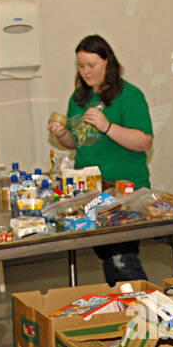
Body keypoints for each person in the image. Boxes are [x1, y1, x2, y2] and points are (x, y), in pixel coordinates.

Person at [47, 35, 154, 284]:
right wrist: (63, 134)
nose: (86, 72)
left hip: (124, 189)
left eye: (91, 65)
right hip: (90, 190)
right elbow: (78, 142)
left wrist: (108, 127)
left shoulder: (129, 96)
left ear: (108, 63)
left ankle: (148, 307)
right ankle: (124, 306)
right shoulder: (78, 99)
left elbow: (144, 141)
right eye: (81, 66)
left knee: (121, 255)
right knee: (108, 254)